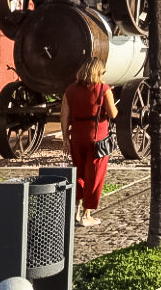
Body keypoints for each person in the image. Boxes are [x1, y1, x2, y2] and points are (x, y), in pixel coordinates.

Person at [61, 56, 117, 227]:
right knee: (95, 175)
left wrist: (65, 137)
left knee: (78, 173)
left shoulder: (70, 90)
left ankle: (74, 210)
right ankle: (87, 214)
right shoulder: (103, 89)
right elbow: (113, 113)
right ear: (99, 72)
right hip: (97, 136)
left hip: (77, 135)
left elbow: (64, 115)